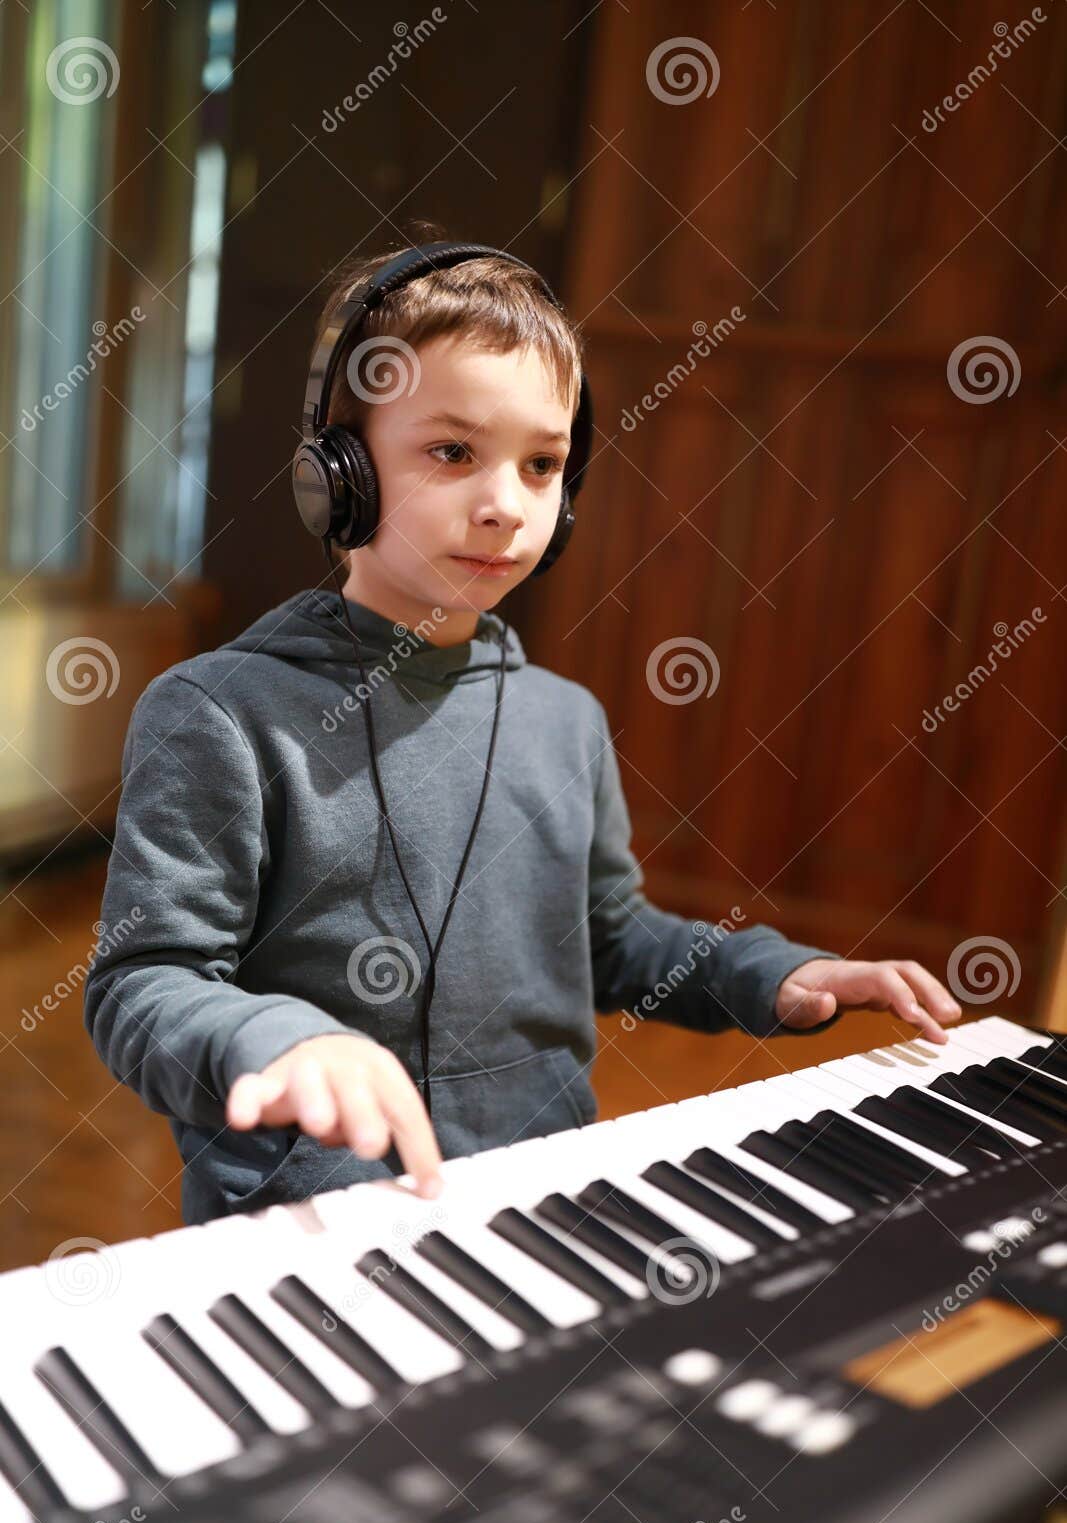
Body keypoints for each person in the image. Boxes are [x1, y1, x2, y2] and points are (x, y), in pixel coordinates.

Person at [84, 232, 962, 1225]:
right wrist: (279, 1041)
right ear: (339, 471)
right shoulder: (221, 713)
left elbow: (614, 937)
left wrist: (776, 969)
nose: (505, 505)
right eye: (452, 451)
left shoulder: (564, 721)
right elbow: (142, 984)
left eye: (541, 464)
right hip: (316, 1228)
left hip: (541, 1210)